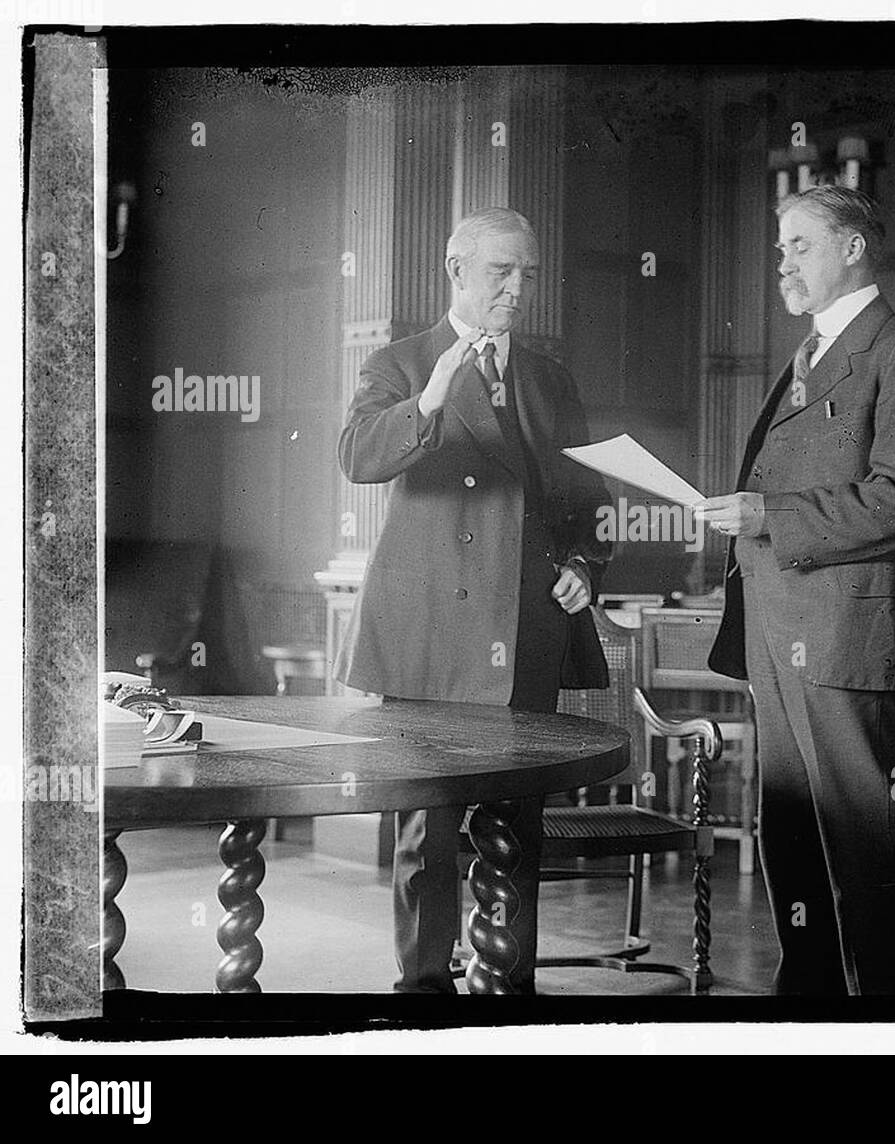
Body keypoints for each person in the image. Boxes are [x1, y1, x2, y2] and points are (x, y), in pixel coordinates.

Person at [336, 207, 612, 994]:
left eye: (529, 273)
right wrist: (428, 400)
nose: (519, 289)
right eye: (502, 272)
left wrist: (585, 564)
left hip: (525, 627)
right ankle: (423, 997)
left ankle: (508, 996)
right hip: (430, 633)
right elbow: (356, 456)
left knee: (516, 829)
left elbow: (588, 501)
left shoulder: (550, 379)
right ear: (457, 270)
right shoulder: (400, 361)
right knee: (429, 834)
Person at [696, 185, 895, 996]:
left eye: (800, 246)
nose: (784, 263)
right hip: (778, 623)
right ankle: (805, 1001)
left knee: (861, 832)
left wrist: (768, 514)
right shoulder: (808, 354)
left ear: (852, 249)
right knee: (792, 829)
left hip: (844, 629)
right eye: (780, 249)